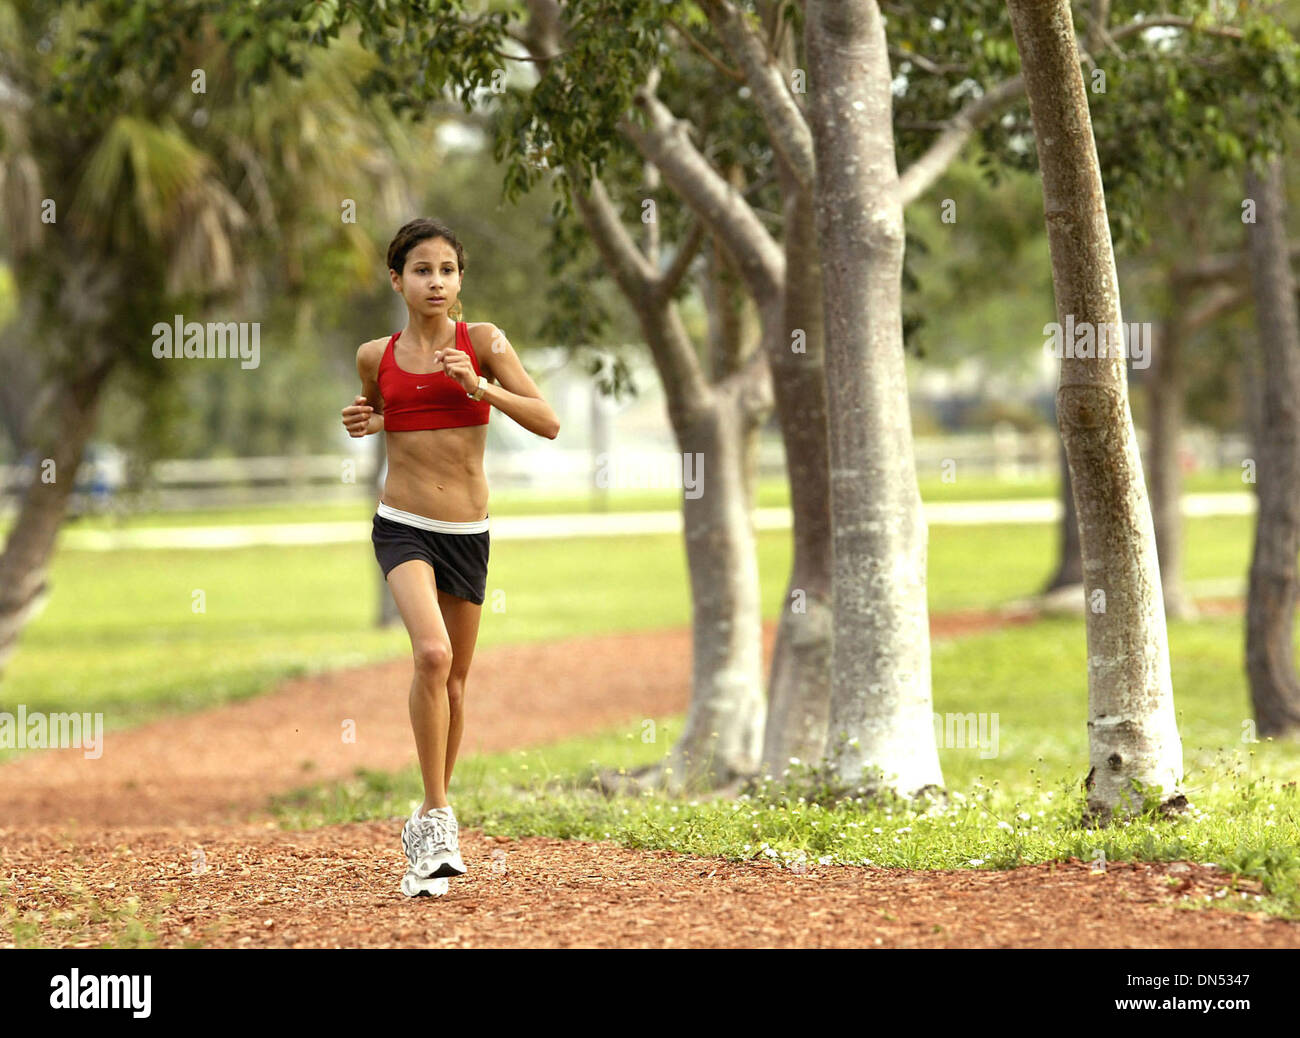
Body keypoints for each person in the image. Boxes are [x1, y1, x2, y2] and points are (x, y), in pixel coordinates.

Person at [342, 218, 560, 896]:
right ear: (397, 279)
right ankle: (437, 819)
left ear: (459, 280)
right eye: (421, 270)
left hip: (468, 531)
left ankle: (426, 821)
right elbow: (387, 410)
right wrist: (367, 421)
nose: (435, 281)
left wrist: (480, 387)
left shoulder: (484, 343)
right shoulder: (373, 354)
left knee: (457, 683)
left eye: (447, 270)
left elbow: (547, 420)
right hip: (402, 523)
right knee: (431, 657)